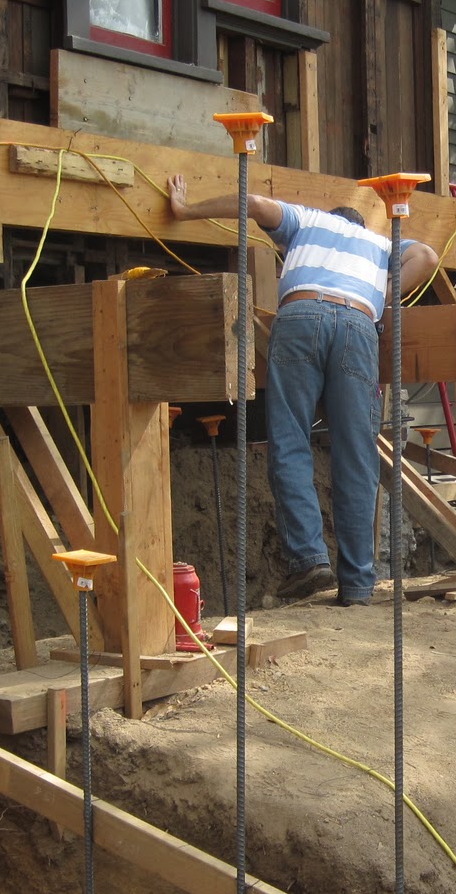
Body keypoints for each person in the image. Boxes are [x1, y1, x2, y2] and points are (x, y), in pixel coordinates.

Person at [168, 174, 438, 605]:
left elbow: (254, 202)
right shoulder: (381, 244)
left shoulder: (308, 222)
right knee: (357, 455)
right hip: (357, 325)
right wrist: (379, 294)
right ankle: (358, 587)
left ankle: (309, 561)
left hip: (300, 316)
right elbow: (426, 254)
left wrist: (185, 210)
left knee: (292, 441)